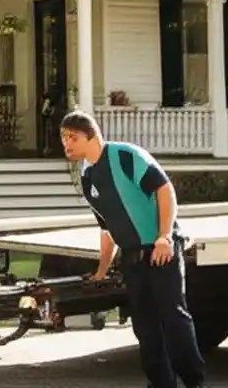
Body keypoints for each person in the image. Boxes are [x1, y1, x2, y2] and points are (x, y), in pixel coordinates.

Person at [60, 109, 206, 388]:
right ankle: (161, 383)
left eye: (72, 137)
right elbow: (106, 229)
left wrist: (164, 237)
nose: (66, 143)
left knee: (173, 317)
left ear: (91, 136)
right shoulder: (87, 176)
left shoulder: (125, 156)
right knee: (144, 326)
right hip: (132, 259)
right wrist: (101, 270)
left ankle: (194, 381)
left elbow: (165, 191)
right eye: (63, 138)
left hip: (161, 251)